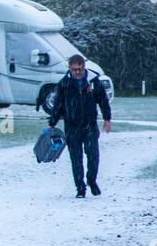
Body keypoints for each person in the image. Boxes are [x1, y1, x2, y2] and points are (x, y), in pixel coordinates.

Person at [48, 53, 112, 198]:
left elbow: (103, 101)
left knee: (93, 156)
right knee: (76, 159)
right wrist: (52, 122)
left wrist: (107, 119)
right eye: (74, 69)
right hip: (72, 126)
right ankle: (80, 188)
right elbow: (58, 105)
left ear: (84, 67)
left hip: (90, 125)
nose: (77, 72)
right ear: (69, 68)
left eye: (80, 69)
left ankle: (91, 180)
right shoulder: (64, 84)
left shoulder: (94, 82)